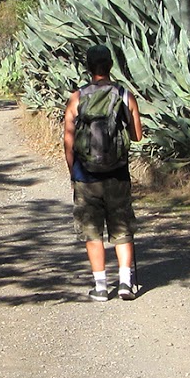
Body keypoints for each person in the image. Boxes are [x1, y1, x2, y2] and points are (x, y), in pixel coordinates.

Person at [63, 44, 145, 301]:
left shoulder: (77, 97)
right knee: (121, 229)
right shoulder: (123, 95)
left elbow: (68, 140)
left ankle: (100, 287)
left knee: (92, 230)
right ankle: (124, 283)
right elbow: (137, 135)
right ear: (111, 65)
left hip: (85, 175)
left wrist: (73, 173)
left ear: (88, 67)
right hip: (117, 173)